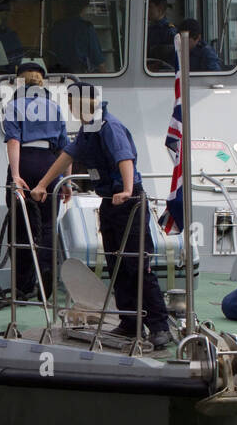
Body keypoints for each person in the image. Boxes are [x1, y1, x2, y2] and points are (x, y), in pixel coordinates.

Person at [31, 83, 171, 349]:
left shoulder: (109, 126)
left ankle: (159, 325)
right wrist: (43, 183)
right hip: (109, 202)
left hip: (128, 202)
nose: (71, 108)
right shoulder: (88, 129)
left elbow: (124, 159)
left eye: (73, 102)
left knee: (137, 265)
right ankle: (130, 322)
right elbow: (67, 155)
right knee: (116, 264)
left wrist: (127, 190)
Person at [2, 60, 68, 300]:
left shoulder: (14, 106)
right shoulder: (55, 107)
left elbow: (13, 141)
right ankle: (46, 276)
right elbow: (65, 148)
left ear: (19, 81)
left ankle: (21, 285)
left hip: (26, 161)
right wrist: (67, 181)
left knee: (21, 226)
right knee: (48, 225)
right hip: (51, 164)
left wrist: (17, 175)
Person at [48, 0, 105, 73]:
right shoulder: (86, 27)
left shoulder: (56, 27)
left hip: (59, 74)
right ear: (83, 8)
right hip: (82, 75)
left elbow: (52, 53)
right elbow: (97, 59)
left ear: (64, 6)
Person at [146, 0, 177, 70]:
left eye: (150, 6)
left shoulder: (169, 31)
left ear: (161, 7)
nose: (147, 10)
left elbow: (173, 59)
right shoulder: (149, 29)